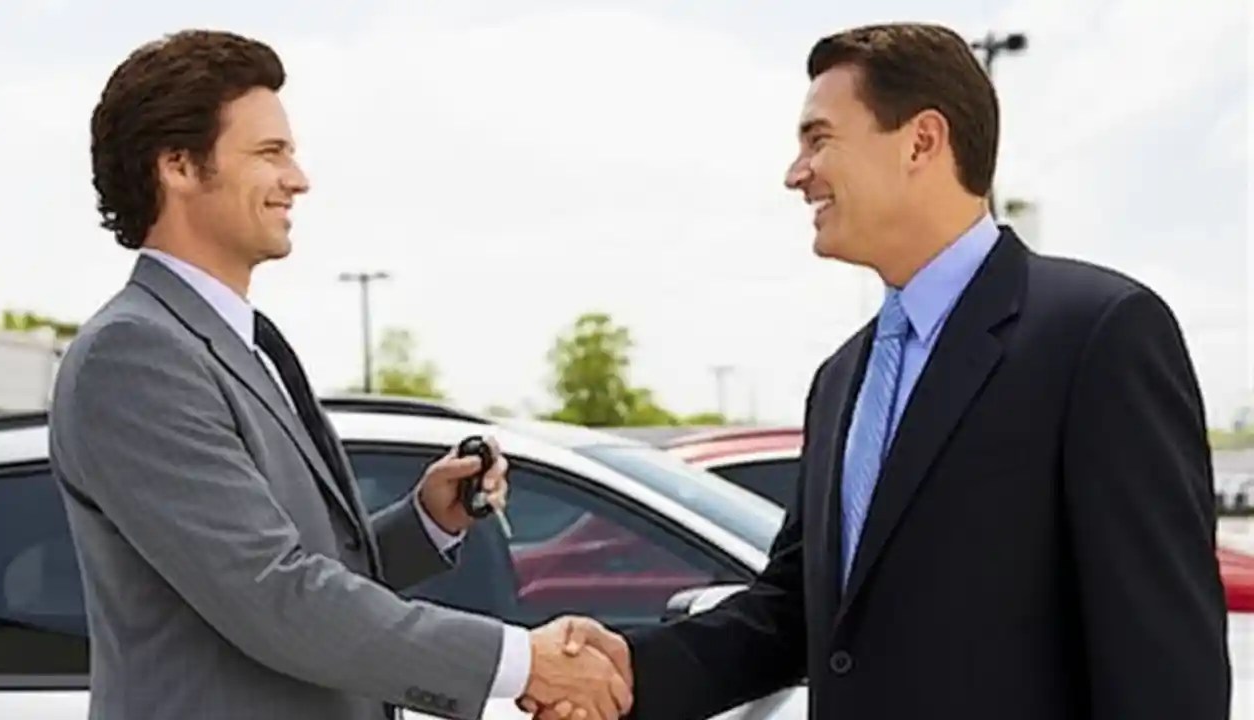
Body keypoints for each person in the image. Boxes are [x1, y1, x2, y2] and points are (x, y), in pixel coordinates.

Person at [528, 21, 1232, 720]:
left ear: (921, 141)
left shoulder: (1096, 336)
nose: (796, 173)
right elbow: (795, 611)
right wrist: (635, 669)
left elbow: (1163, 664)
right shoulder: (841, 379)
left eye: (818, 139)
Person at [48, 29, 630, 720]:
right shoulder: (134, 357)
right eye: (270, 152)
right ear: (177, 165)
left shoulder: (233, 341)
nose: (298, 179)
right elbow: (274, 596)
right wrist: (522, 663)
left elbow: (294, 574)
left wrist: (425, 523)